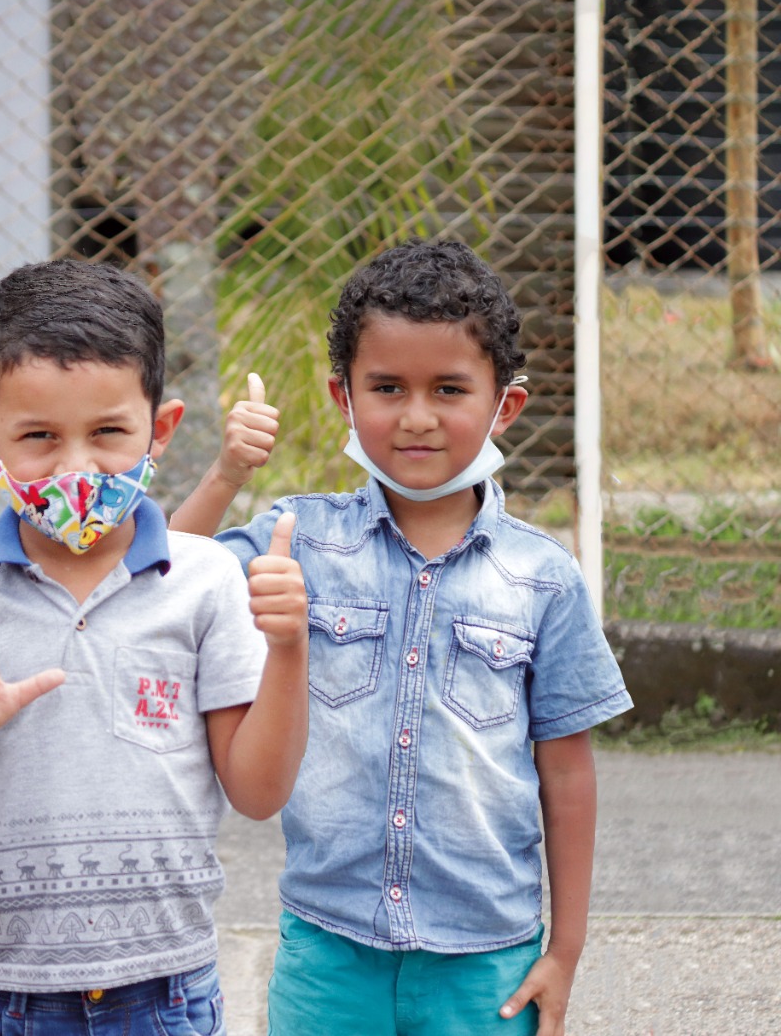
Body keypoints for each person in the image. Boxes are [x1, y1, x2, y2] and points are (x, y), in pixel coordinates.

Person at [170, 240, 633, 1036]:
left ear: (503, 407)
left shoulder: (543, 576)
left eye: (449, 388)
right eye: (387, 387)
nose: (416, 415)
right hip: (328, 948)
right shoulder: (298, 535)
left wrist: (567, 948)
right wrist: (226, 475)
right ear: (343, 398)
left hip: (488, 960)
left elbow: (566, 770)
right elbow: (166, 577)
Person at [0, 258, 310, 1035]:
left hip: (165, 988)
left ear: (162, 428)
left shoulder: (206, 578)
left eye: (108, 432)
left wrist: (289, 651)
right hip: (1, 991)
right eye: (38, 437)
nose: (76, 467)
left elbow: (257, 792)